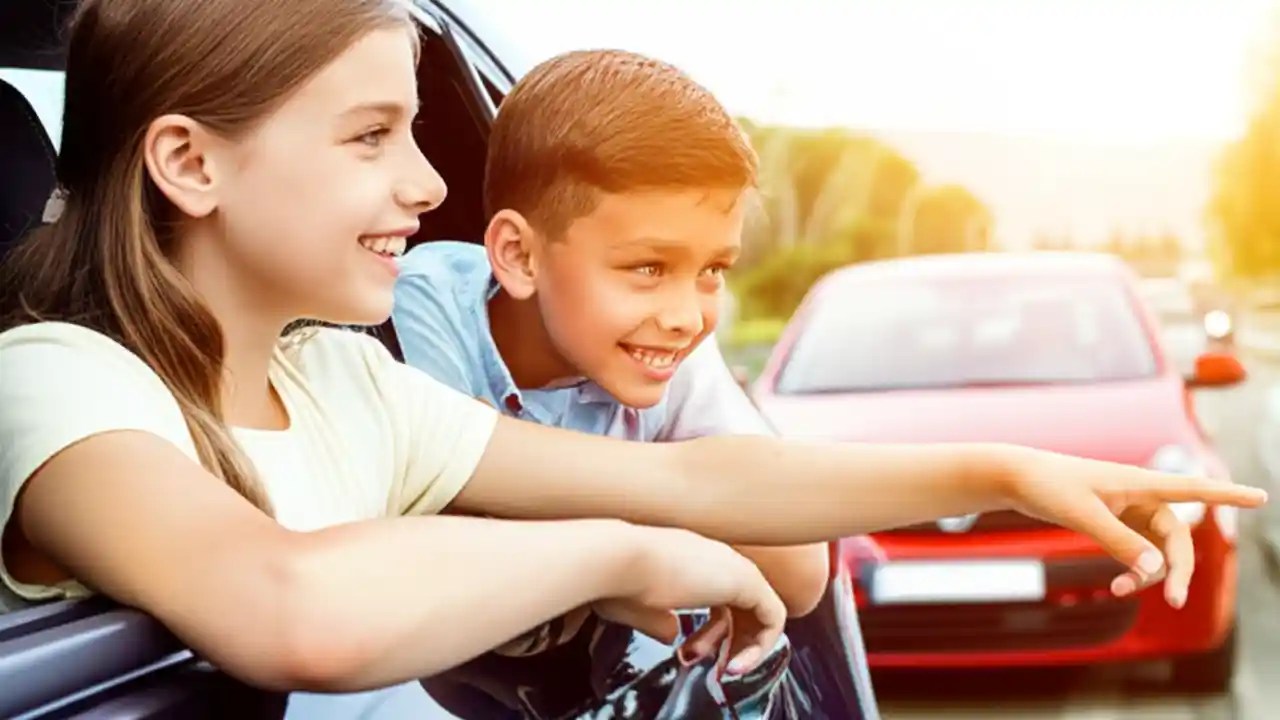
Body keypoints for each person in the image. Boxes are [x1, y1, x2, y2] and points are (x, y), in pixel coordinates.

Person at [0, 0, 1266, 706]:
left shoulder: (342, 386)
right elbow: (292, 613)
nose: (426, 175)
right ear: (189, 161)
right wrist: (620, 557)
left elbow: (691, 480)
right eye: (371, 136)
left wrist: (1003, 468)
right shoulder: (58, 384)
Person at [389, 49, 859, 717]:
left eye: (712, 271)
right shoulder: (424, 302)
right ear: (519, 257)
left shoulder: (666, 350)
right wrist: (668, 532)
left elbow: (801, 571)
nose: (684, 315)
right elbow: (445, 510)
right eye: (646, 267)